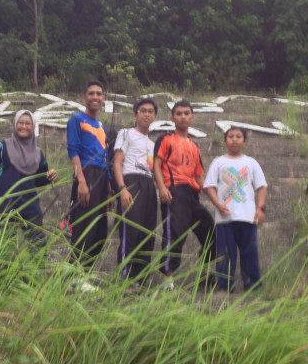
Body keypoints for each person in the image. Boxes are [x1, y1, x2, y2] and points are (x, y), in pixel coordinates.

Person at [153, 100, 215, 279]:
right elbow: (156, 165)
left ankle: (203, 269)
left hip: (192, 195)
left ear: (192, 117)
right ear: (173, 117)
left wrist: (215, 197)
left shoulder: (194, 146)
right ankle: (167, 276)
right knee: (175, 233)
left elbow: (198, 176)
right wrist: (162, 188)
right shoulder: (165, 139)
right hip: (174, 192)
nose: (183, 117)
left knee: (210, 230)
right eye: (179, 113)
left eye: (186, 113)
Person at [203, 126, 268, 291]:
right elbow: (209, 186)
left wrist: (260, 209)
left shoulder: (251, 163)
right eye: (230, 136)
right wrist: (218, 204)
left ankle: (253, 287)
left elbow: (262, 187)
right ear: (225, 140)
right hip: (225, 218)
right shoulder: (218, 162)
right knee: (225, 255)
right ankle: (224, 287)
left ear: (244, 141)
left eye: (239, 136)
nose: (234, 139)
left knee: (250, 254)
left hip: (248, 217)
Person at [0, 110, 58, 239]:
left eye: (28, 124)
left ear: (33, 127)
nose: (24, 126)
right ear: (15, 124)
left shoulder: (38, 153)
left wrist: (50, 177)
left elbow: (39, 180)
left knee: (38, 244)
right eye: (20, 123)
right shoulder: (2, 146)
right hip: (4, 205)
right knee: (1, 246)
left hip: (30, 205)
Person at [112, 97, 158, 279]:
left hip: (149, 184)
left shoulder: (152, 144)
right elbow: (117, 162)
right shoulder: (126, 133)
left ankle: (141, 277)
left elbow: (154, 170)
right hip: (131, 181)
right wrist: (122, 188)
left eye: (151, 111)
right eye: (143, 110)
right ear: (135, 114)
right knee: (130, 230)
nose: (147, 114)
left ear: (154, 116)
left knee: (147, 232)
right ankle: (125, 276)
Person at [66, 80, 110, 267]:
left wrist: (107, 188)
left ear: (103, 98)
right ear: (85, 97)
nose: (95, 97)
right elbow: (73, 151)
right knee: (84, 225)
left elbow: (106, 158)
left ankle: (84, 271)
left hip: (101, 177)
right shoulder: (76, 120)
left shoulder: (102, 127)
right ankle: (76, 272)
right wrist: (81, 180)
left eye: (99, 94)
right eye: (91, 93)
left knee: (100, 229)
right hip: (86, 174)